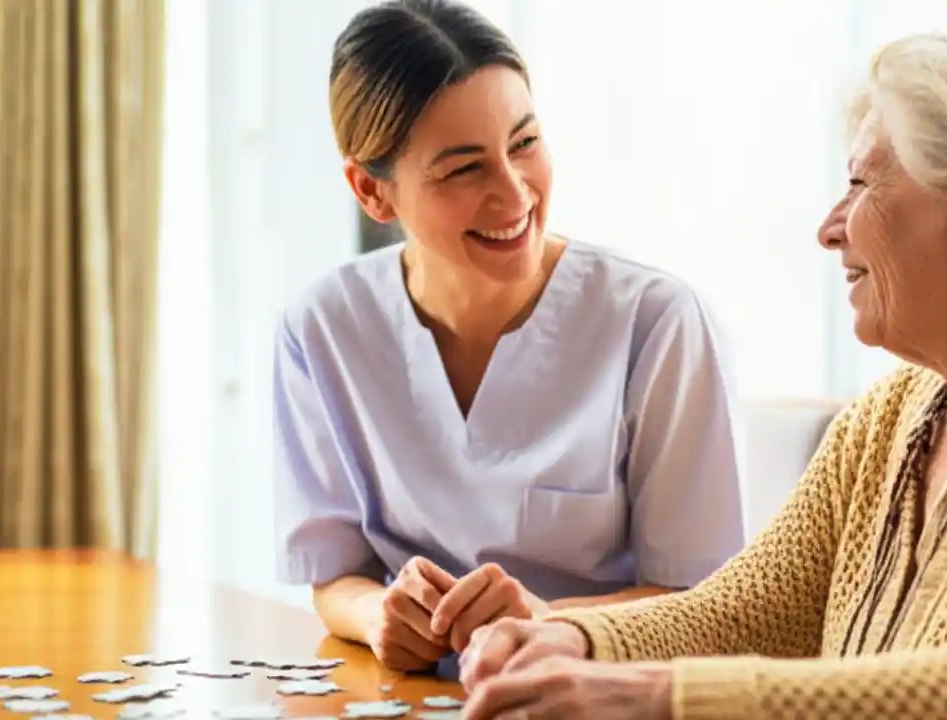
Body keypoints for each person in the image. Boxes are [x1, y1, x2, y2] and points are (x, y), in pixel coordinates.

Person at [457, 34, 947, 720]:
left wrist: (665, 698)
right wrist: (571, 636)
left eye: (862, 185)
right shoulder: (894, 415)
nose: (830, 227)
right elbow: (752, 613)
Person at [272, 0, 746, 672]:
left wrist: (549, 621)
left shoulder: (657, 324)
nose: (515, 194)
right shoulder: (322, 328)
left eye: (524, 143)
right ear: (372, 192)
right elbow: (333, 575)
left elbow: (706, 606)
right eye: (464, 169)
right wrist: (380, 614)